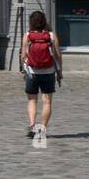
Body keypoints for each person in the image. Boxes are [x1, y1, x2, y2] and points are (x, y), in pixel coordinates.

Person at [21, 11, 62, 139]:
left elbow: (23, 55)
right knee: (47, 102)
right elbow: (58, 55)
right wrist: (59, 71)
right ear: (44, 21)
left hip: (32, 72)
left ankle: (33, 126)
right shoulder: (51, 35)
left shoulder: (27, 35)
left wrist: (24, 69)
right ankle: (42, 129)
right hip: (49, 72)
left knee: (32, 100)